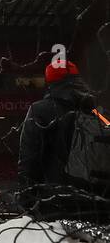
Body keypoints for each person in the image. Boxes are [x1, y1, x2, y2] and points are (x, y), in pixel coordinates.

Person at [17, 58, 106, 219]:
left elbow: (29, 161)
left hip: (57, 206)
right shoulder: (98, 112)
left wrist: (27, 203)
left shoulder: (40, 110)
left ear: (50, 82)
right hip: (98, 205)